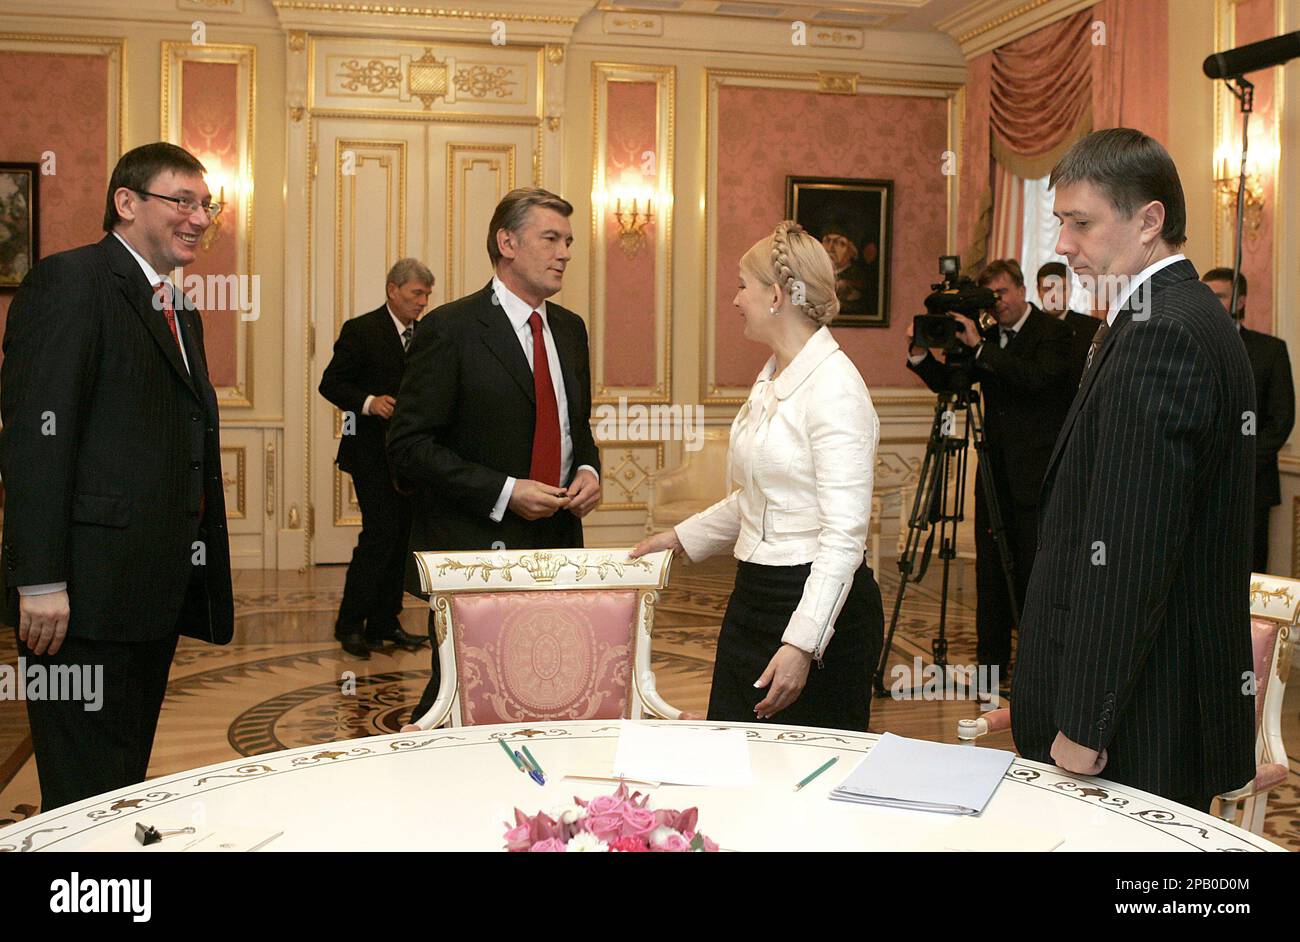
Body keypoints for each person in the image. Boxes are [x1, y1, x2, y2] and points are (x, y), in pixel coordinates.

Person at [1014, 128, 1256, 810]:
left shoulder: (1162, 331)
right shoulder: (1163, 316)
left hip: (1137, 719)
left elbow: (1130, 551)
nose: (1063, 245)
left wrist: (1086, 720)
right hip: (1146, 703)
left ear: (1150, 220)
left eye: (1081, 223)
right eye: (1060, 223)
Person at [0, 142, 234, 810]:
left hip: (147, 596)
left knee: (119, 779)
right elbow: (35, 440)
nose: (198, 217)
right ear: (127, 203)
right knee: (81, 790)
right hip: (79, 600)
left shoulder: (178, 307)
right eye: (181, 200)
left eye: (205, 204)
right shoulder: (71, 282)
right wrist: (39, 579)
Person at [633, 221, 882, 731]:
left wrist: (802, 643)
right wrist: (680, 537)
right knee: (735, 750)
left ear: (774, 296)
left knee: (804, 777)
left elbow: (844, 539)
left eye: (741, 286)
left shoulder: (836, 389)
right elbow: (759, 496)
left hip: (819, 610)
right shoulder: (772, 375)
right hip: (755, 596)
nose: (734, 300)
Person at [388, 188, 602, 726]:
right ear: (507, 242)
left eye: (569, 241)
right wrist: (506, 492)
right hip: (473, 548)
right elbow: (408, 448)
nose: (565, 253)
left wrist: (588, 470)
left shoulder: (571, 330)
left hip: (558, 544)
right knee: (463, 700)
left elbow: (578, 429)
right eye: (550, 238)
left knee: (550, 691)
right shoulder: (450, 329)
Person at [907, 258, 1073, 691]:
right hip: (993, 472)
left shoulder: (1053, 333)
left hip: (1037, 477)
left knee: (1034, 572)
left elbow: (1037, 380)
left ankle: (1038, 670)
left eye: (1001, 293)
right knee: (991, 574)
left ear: (1021, 290)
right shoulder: (987, 337)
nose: (996, 303)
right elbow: (954, 384)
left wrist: (982, 347)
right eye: (990, 297)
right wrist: (922, 355)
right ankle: (990, 670)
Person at [318, 258, 433, 659]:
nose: (423, 301)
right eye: (417, 293)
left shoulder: (426, 334)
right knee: (379, 537)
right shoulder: (361, 330)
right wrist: (368, 403)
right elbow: (330, 384)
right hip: (368, 454)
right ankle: (350, 625)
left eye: (426, 295)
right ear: (393, 290)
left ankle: (385, 623)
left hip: (410, 459)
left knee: (402, 540)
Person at [1201, 268, 1295, 573]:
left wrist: (1240, 459)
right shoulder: (1189, 345)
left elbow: (1281, 420)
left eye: (1219, 296)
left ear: (1239, 302)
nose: (1210, 303)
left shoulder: (1270, 350)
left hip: (1252, 484)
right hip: (1198, 482)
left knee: (1250, 571)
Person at [1036, 260, 1101, 387]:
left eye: (1061, 289)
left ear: (1071, 289)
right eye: (1048, 289)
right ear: (1038, 291)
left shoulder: (1092, 328)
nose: (1054, 297)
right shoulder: (1028, 327)